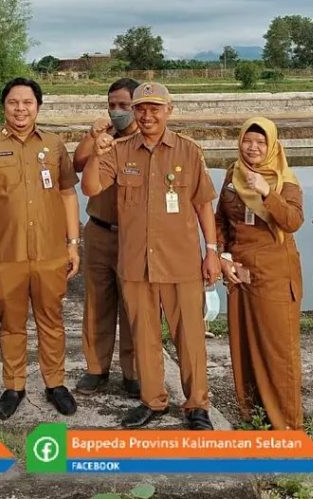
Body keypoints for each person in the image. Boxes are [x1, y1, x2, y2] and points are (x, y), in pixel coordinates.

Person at [82, 81, 219, 431]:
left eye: (155, 108)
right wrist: (97, 153)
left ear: (168, 111)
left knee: (189, 338)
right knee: (144, 337)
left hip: (181, 262)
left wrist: (213, 251)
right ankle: (153, 401)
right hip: (136, 262)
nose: (147, 115)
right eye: (141, 108)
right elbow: (91, 188)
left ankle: (196, 405)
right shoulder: (120, 150)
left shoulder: (188, 152)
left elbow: (203, 203)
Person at [0, 77, 80, 420]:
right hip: (5, 253)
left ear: (38, 107)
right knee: (10, 324)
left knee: (51, 320)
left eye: (27, 102)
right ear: (4, 106)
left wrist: (73, 244)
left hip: (50, 252)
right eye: (13, 102)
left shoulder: (54, 145)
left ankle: (55, 383)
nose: (20, 109)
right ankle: (14, 386)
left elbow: (68, 193)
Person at [215, 117, 304, 430]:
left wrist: (267, 192)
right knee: (243, 346)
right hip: (240, 271)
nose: (252, 147)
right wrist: (223, 256)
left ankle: (287, 427)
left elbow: (293, 221)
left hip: (274, 272)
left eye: (260, 142)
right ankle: (253, 418)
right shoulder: (232, 174)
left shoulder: (284, 180)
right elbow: (221, 221)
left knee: (278, 351)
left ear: (272, 146)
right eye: (247, 140)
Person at [72, 78, 140, 397]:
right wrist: (94, 134)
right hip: (99, 229)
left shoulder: (145, 141)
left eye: (124, 105)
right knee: (98, 303)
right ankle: (96, 369)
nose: (117, 111)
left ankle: (133, 372)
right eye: (112, 105)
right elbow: (77, 164)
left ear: (137, 106)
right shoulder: (104, 136)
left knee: (132, 305)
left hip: (133, 235)